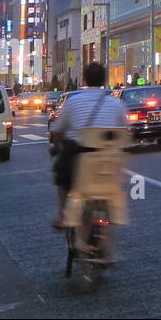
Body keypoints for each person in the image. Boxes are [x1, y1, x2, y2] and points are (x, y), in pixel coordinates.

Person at [50, 61, 129, 229]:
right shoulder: (117, 104)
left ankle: (64, 214)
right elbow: (125, 131)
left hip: (79, 164)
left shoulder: (73, 102)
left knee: (61, 175)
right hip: (109, 164)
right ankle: (107, 253)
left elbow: (57, 130)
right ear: (103, 80)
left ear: (85, 80)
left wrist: (58, 143)